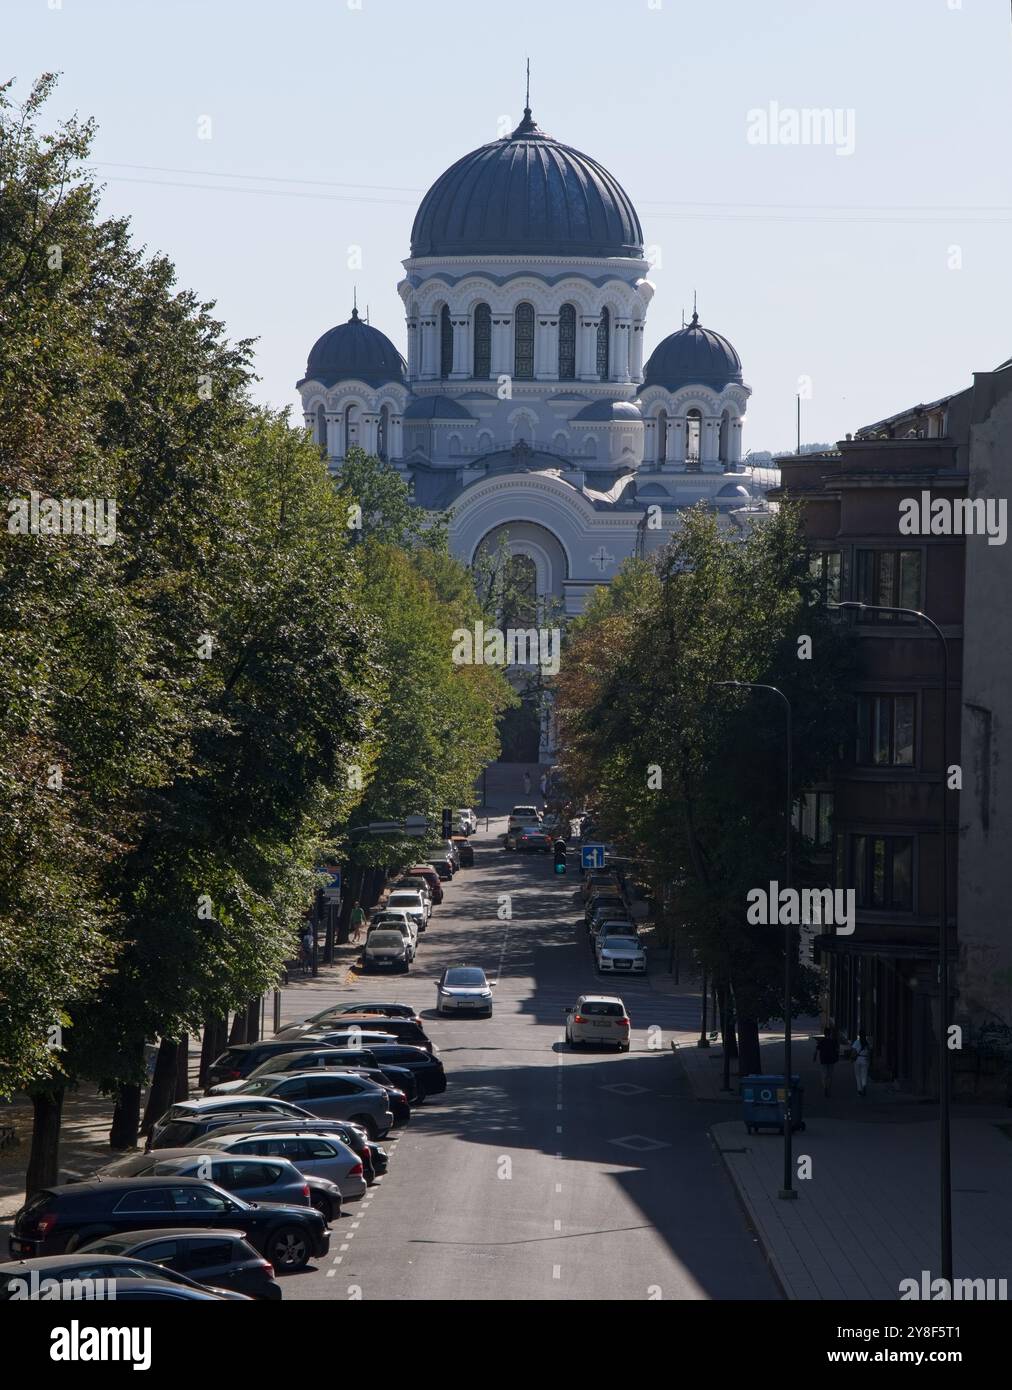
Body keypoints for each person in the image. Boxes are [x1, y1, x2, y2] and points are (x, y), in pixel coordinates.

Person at [813, 1026, 840, 1097]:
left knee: (824, 1075)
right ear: (830, 1033)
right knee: (830, 1075)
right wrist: (837, 1057)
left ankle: (825, 1087)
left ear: (824, 1034)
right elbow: (837, 1050)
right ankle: (829, 1088)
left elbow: (816, 1049)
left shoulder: (821, 1041)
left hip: (823, 1059)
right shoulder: (833, 1041)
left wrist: (814, 1057)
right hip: (831, 1060)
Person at [852, 1032, 872, 1096]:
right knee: (864, 1075)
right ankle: (864, 1086)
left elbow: (854, 1051)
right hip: (865, 1059)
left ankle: (859, 1090)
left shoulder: (856, 1042)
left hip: (858, 1059)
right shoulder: (867, 1043)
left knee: (857, 1075)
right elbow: (869, 1053)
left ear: (860, 1035)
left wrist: (852, 1058)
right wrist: (869, 1060)